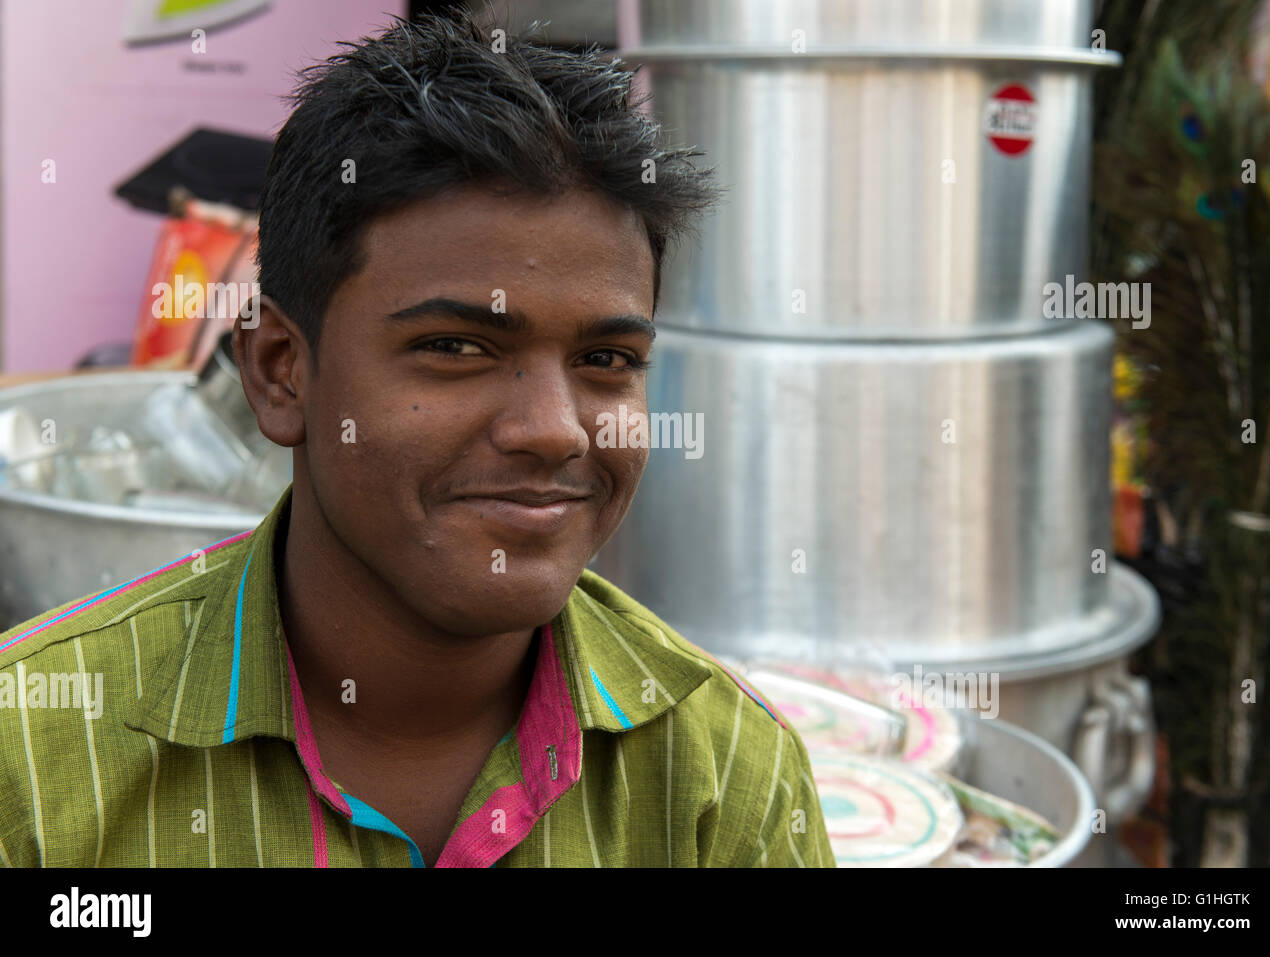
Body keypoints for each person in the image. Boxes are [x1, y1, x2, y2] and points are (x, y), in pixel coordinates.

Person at [0, 9, 834, 868]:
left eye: (606, 357)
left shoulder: (725, 778)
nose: (553, 429)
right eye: (456, 348)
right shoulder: (35, 759)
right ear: (282, 370)